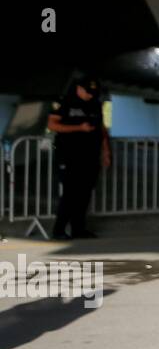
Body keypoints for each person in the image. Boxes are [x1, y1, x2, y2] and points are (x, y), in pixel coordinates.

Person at [46, 75, 110, 240]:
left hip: (90, 157)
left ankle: (78, 229)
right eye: (88, 92)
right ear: (79, 88)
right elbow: (52, 125)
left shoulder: (95, 104)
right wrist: (79, 128)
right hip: (69, 156)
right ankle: (59, 230)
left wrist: (106, 151)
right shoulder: (65, 102)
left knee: (85, 193)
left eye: (93, 92)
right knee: (70, 193)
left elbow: (101, 129)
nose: (90, 95)